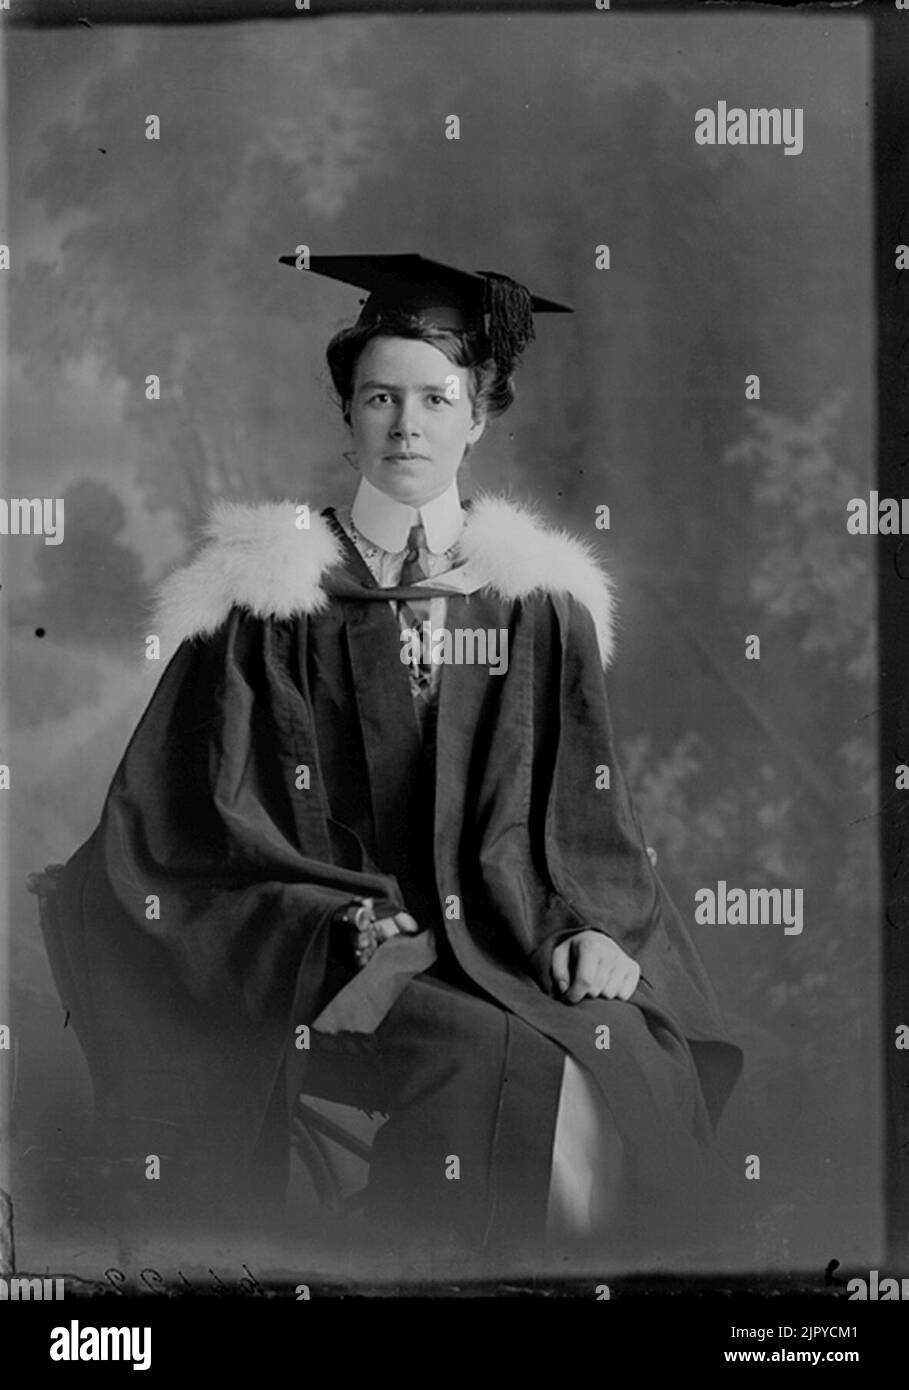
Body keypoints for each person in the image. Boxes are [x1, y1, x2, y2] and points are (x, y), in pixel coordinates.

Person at [54, 253, 742, 1278]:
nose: (407, 425)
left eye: (435, 398)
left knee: (622, 1057)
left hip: (507, 942)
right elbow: (193, 819)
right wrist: (330, 916)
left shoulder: (532, 601)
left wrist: (593, 929)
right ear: (348, 415)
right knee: (498, 1060)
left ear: (479, 415)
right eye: (380, 397)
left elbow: (587, 813)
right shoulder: (269, 598)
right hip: (341, 949)